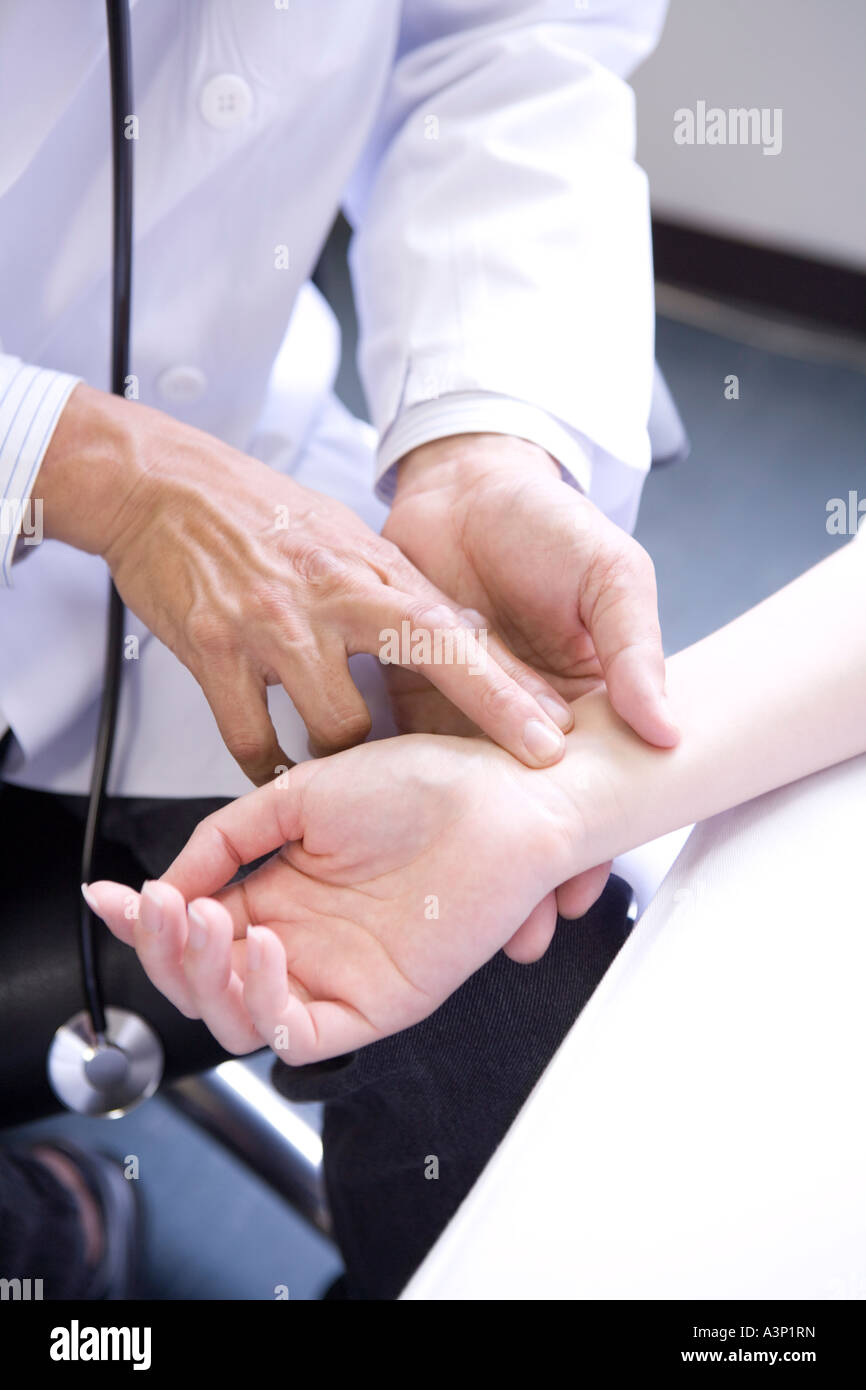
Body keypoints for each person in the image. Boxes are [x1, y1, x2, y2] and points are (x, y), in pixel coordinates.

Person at [1, 1, 675, 1297]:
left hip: (248, 452)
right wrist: (79, 467)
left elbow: (501, 39)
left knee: (551, 1065)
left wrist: (487, 437)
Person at [86, 528, 866, 1295]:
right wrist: (116, 491)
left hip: (330, 540)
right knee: (512, 1016)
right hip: (92, 685)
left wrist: (472, 440)